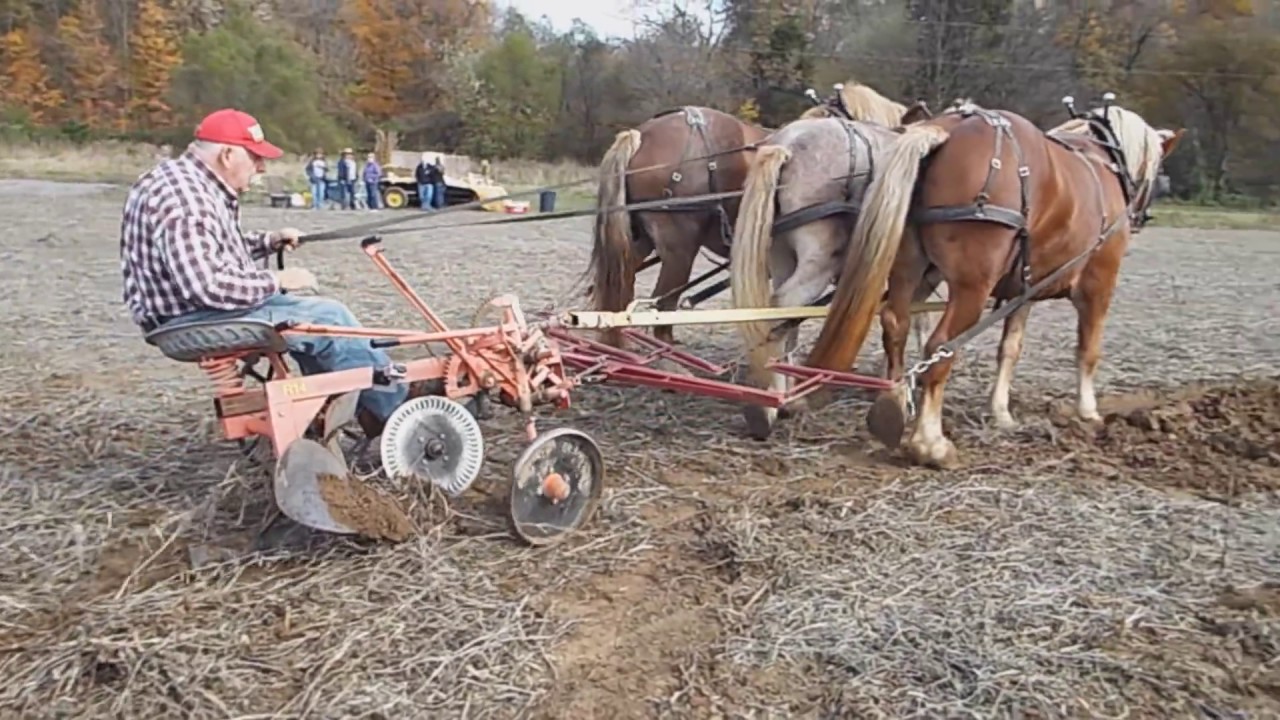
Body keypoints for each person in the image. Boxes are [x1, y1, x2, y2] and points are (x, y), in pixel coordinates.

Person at [119, 108, 410, 437]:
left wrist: (268, 241)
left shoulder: (181, 181)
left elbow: (207, 249)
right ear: (227, 155)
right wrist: (277, 280)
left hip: (184, 313)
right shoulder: (187, 198)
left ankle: (351, 403)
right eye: (255, 157)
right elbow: (206, 285)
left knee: (316, 321)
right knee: (330, 318)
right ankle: (399, 417)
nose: (261, 167)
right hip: (193, 317)